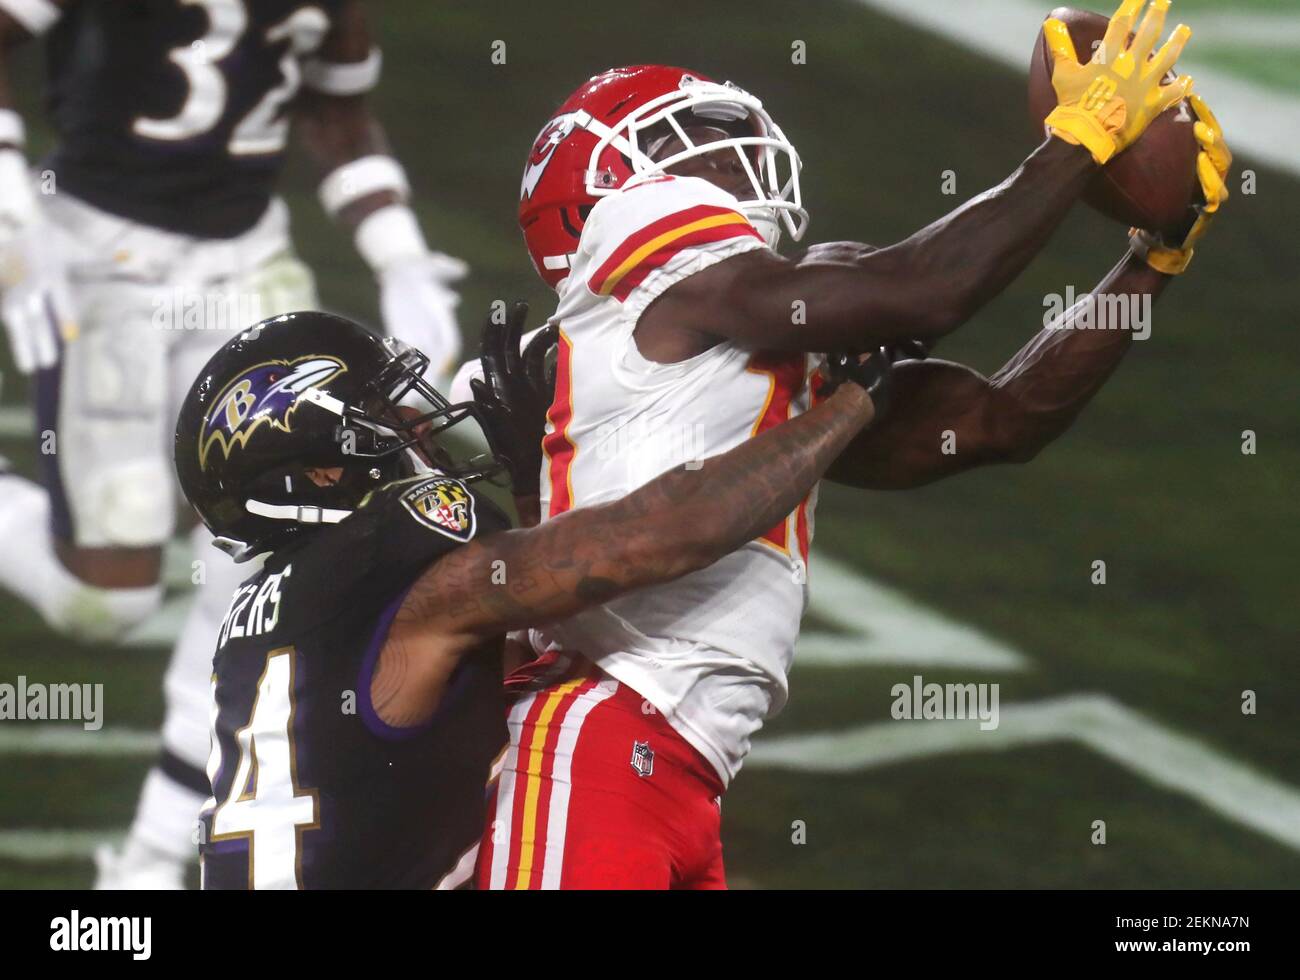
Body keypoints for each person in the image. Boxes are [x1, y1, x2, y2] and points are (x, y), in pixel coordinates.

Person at [474, 0, 1232, 887]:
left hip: (681, 763)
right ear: (601, 191)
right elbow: (918, 292)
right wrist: (1081, 137)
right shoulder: (634, 240)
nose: (727, 157)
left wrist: (1154, 256)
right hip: (594, 732)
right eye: (691, 140)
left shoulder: (749, 343)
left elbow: (1000, 420)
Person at [176, 305, 894, 888]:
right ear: (323, 472)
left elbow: (509, 647)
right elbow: (666, 536)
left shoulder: (272, 611)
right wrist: (852, 405)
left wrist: (530, 491)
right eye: (382, 418)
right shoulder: (392, 553)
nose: (418, 429)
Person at [0, 0, 467, 887]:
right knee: (105, 601)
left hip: (245, 267)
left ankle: (146, 861)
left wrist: (400, 252)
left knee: (272, 548)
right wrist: (13, 218)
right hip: (98, 262)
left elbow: (334, 109)